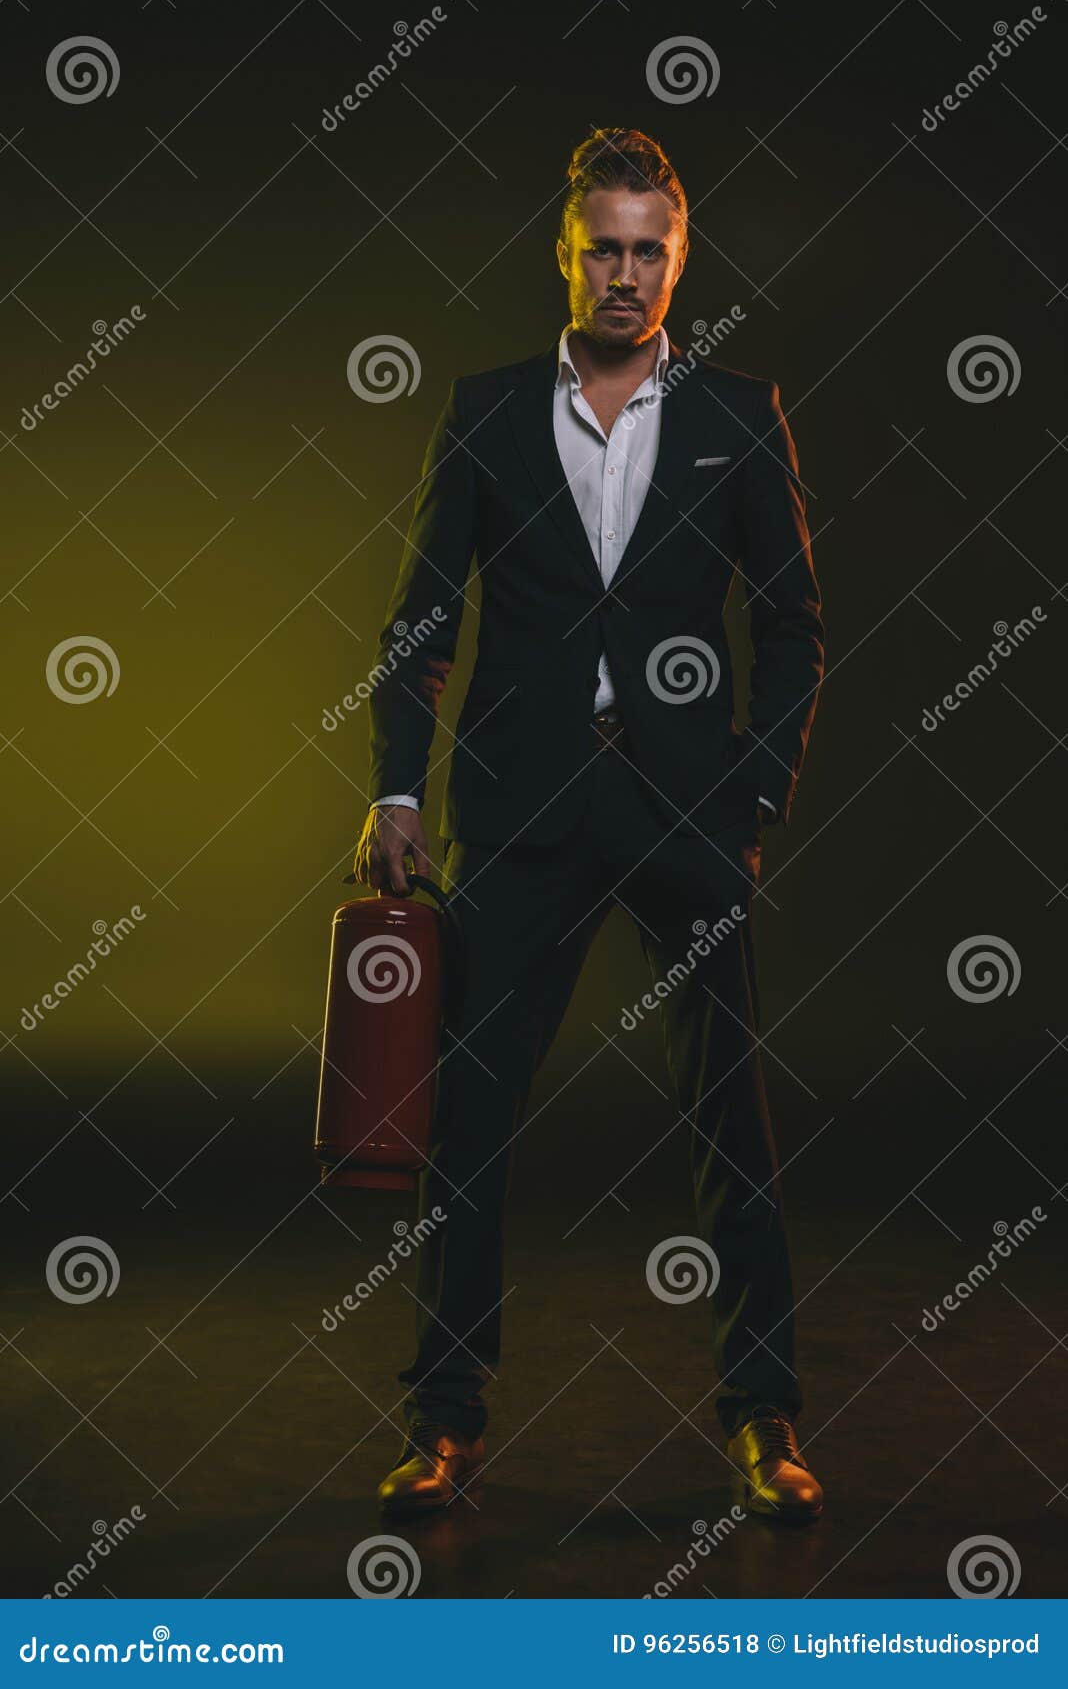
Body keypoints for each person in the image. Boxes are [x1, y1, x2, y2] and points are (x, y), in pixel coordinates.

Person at [353, 126, 825, 1525]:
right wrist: (395, 788)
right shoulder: (490, 412)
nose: (627, 274)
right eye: (603, 250)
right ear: (566, 256)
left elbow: (793, 624)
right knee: (471, 1123)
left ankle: (766, 1418)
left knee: (732, 1119)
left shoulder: (741, 412)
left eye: (649, 252)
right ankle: (446, 1423)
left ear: (680, 261)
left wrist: (756, 791)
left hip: (685, 807)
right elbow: (424, 619)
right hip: (521, 805)